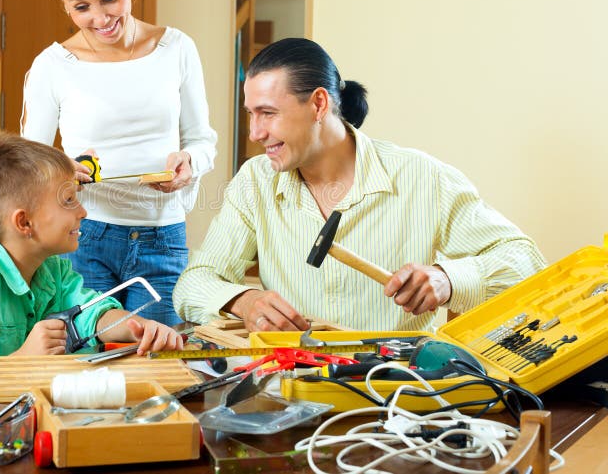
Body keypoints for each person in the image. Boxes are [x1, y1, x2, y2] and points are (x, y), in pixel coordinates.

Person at [173, 38, 546, 333]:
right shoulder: (255, 182)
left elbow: (526, 262)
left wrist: (449, 278)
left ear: (319, 104)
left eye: (268, 113)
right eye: (251, 115)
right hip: (291, 388)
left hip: (397, 391)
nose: (255, 133)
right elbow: (193, 283)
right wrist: (244, 300)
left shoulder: (422, 178)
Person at [21, 0, 217, 327]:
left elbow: (201, 139)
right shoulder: (51, 67)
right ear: (64, 4)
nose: (100, 17)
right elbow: (28, 162)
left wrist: (189, 163)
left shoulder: (177, 48)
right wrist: (62, 169)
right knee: (88, 362)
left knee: (162, 356)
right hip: (84, 238)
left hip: (162, 238)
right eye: (81, 7)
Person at [0, 133, 183, 400]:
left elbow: (89, 314)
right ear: (24, 223)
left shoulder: (52, 270)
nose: (83, 212)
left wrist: (138, 327)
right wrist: (18, 361)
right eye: (69, 200)